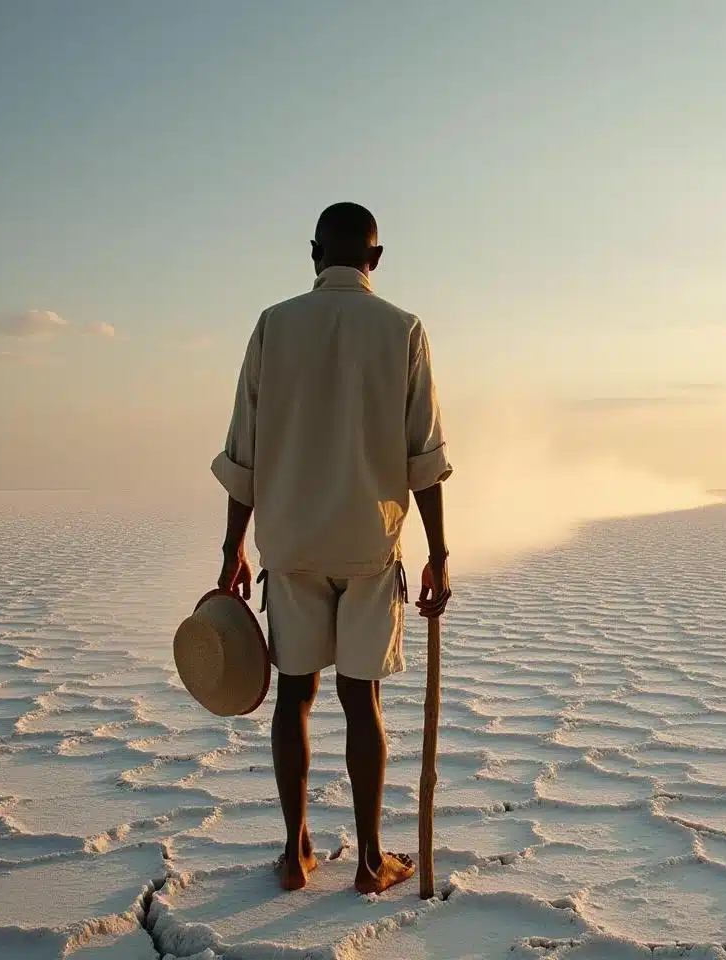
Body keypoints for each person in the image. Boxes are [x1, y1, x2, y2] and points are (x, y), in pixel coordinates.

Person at [211, 202, 453, 893]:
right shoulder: (402, 329)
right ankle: (373, 862)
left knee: (295, 694)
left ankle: (295, 854)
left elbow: (244, 452)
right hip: (366, 546)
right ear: (375, 260)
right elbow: (423, 457)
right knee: (360, 697)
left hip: (289, 542)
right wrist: (438, 552)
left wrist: (233, 546)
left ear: (314, 252)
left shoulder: (273, 325)